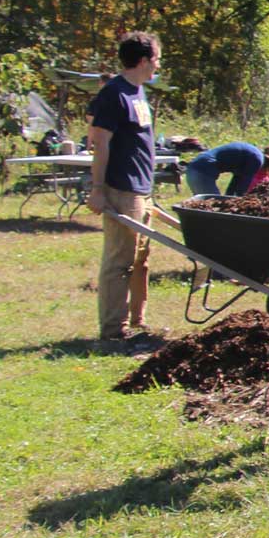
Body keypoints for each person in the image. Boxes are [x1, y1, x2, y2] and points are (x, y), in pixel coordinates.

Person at [86, 31, 162, 348]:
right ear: (143, 60)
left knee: (141, 260)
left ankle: (137, 321)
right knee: (120, 262)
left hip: (142, 189)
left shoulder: (137, 92)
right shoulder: (114, 94)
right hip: (122, 188)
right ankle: (112, 332)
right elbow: (99, 142)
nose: (158, 65)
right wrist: (98, 189)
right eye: (156, 59)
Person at [184, 140, 269, 197]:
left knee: (210, 209)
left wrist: (228, 199)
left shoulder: (253, 157)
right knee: (213, 210)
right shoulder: (256, 160)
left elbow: (235, 184)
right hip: (201, 171)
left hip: (195, 169)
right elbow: (242, 189)